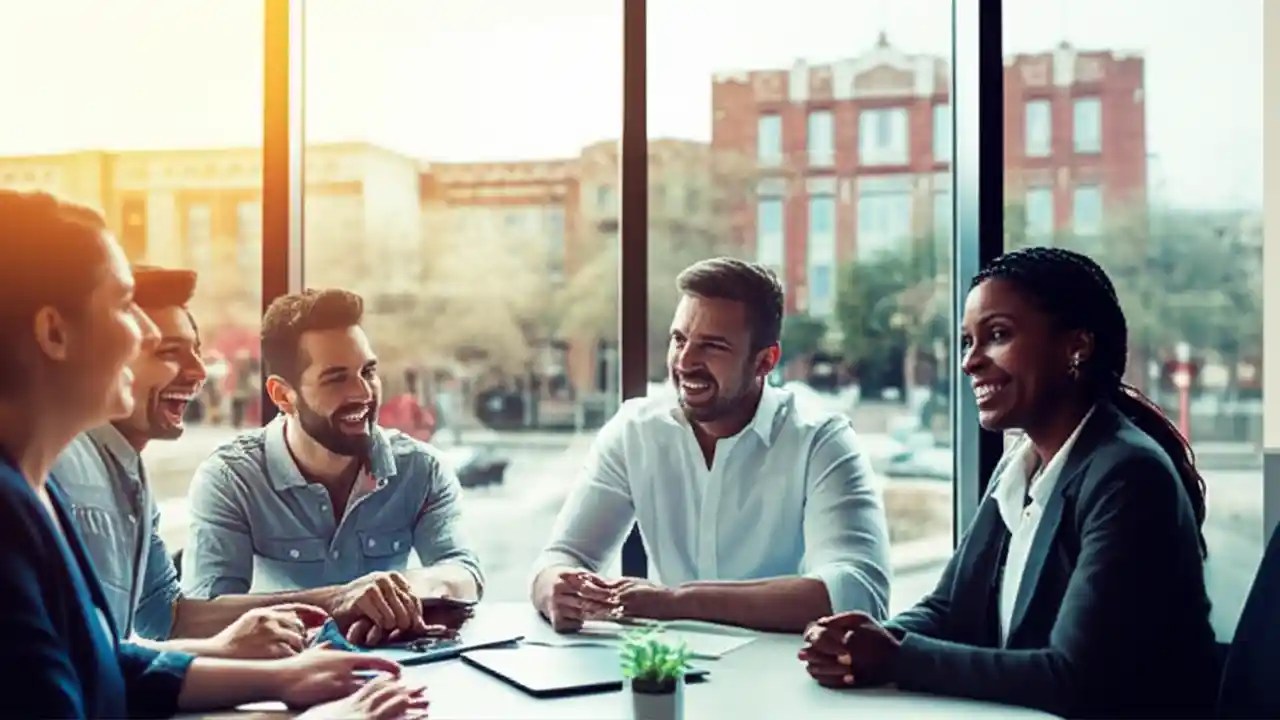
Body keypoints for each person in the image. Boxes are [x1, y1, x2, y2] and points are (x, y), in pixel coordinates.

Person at [0, 189, 424, 718]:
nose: (145, 334)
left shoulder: (36, 492)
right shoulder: (11, 514)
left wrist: (282, 677)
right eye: (123, 305)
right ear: (53, 332)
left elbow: (103, 666)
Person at [798, 247, 1217, 718]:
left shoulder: (1127, 476)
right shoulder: (1020, 464)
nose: (969, 362)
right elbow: (948, 609)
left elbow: (1073, 677)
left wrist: (896, 657)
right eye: (967, 341)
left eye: (997, 335)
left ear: (1075, 347)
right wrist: (859, 640)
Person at [53, 266, 437, 656]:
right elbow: (93, 666)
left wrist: (292, 675)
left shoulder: (125, 472)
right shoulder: (62, 472)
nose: (200, 373)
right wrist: (331, 608)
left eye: (195, 351)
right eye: (168, 351)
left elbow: (161, 617)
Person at [531, 258, 890, 633]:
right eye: (679, 339)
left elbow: (857, 591)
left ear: (765, 361)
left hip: (785, 677)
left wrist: (676, 602)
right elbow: (562, 556)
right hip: (669, 671)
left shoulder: (820, 439)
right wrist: (555, 588)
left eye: (713, 346)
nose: (685, 362)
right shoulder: (635, 430)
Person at [184, 288, 483, 646]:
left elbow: (465, 574)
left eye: (368, 371)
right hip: (278, 680)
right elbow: (199, 614)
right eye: (336, 378)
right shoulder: (230, 478)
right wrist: (338, 601)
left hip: (397, 672)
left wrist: (394, 595)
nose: (363, 393)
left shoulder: (422, 469)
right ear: (282, 395)